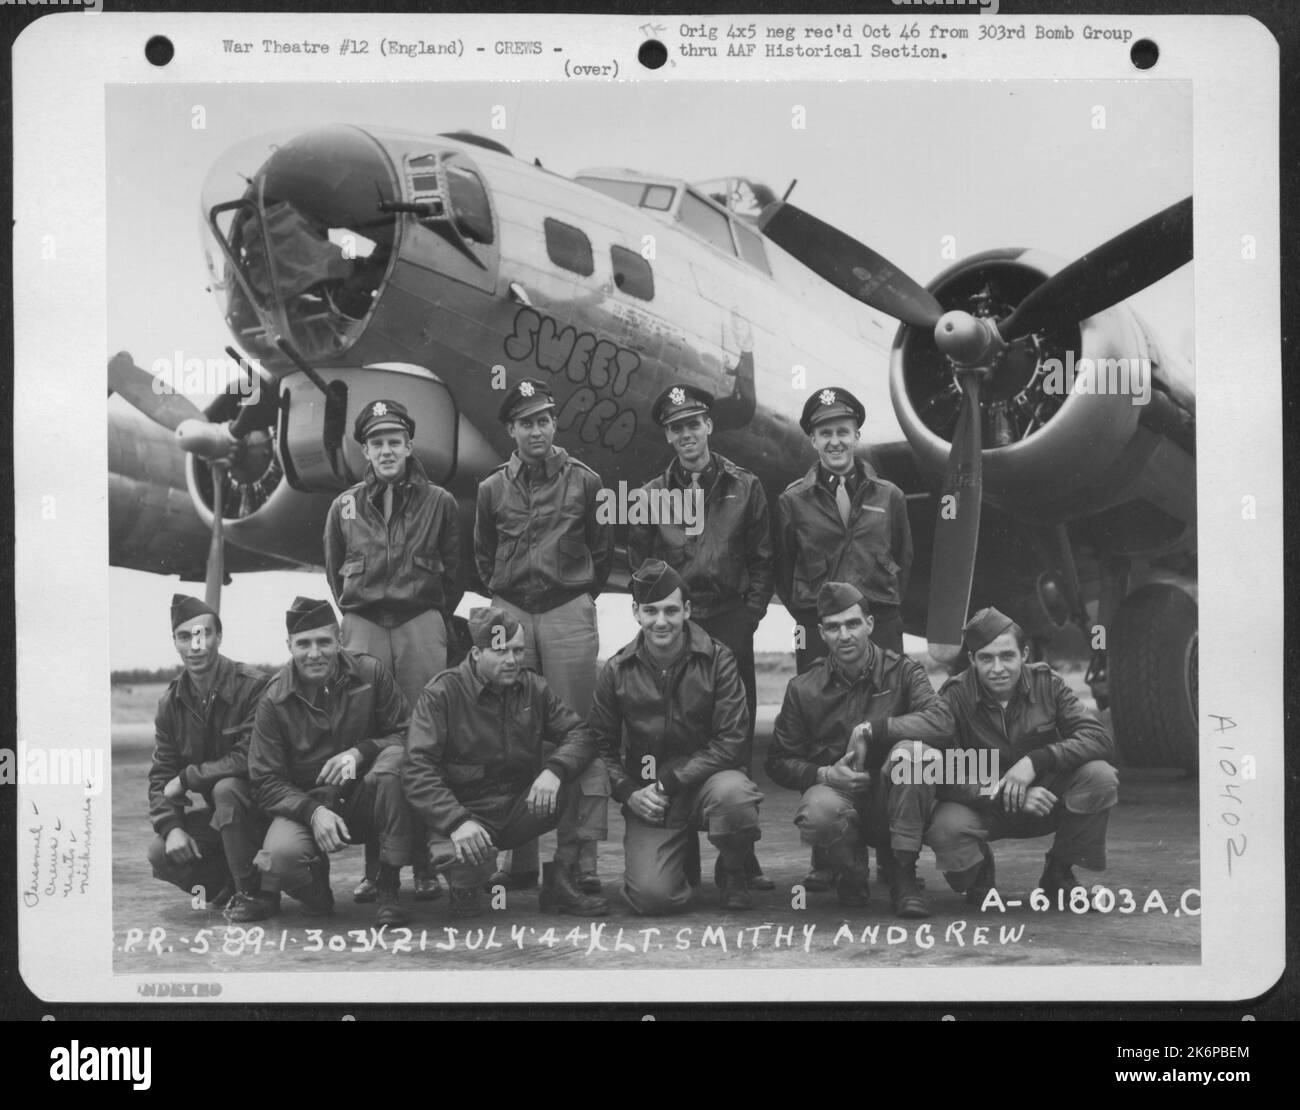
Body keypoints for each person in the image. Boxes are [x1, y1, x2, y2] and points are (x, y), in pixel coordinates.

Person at [627, 382, 776, 892]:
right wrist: (666, 622)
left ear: (709, 426)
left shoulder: (745, 486)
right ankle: (678, 840)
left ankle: (741, 855)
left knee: (735, 737)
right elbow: (641, 565)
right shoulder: (648, 497)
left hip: (730, 619)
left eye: (693, 423)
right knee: (678, 730)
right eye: (676, 428)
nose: (686, 434)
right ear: (667, 436)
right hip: (677, 628)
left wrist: (750, 617)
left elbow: (763, 557)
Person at [474, 377, 612, 892]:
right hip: (511, 613)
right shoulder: (491, 488)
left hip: (566, 610)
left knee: (576, 733)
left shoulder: (587, 482)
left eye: (545, 420)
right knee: (515, 733)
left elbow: (601, 553)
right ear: (511, 429)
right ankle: (520, 855)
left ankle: (579, 856)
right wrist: (508, 601)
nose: (537, 430)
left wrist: (576, 598)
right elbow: (484, 555)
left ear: (555, 423)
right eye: (526, 422)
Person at [775, 387, 914, 891]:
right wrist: (818, 623)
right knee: (821, 735)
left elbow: (903, 558)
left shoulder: (889, 497)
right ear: (812, 439)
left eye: (843, 431)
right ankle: (831, 856)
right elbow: (785, 570)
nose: (835, 441)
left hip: (881, 629)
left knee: (890, 733)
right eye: (824, 433)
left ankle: (898, 858)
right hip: (820, 634)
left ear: (857, 435)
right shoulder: (792, 500)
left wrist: (876, 617)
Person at [324, 398, 461, 904]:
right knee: (367, 738)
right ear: (366, 450)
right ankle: (378, 865)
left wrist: (428, 619)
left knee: (424, 741)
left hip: (420, 622)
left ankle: (424, 861)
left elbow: (455, 569)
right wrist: (357, 619)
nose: (386, 450)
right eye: (376, 443)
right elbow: (334, 568)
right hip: (362, 625)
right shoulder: (342, 507)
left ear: (408, 446)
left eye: (394, 441)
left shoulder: (440, 502)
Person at [402, 607, 610, 918]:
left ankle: (561, 879)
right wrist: (456, 821)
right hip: (466, 815)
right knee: (465, 883)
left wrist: (554, 770)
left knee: (590, 771)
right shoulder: (442, 693)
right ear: (476, 653)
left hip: (518, 809)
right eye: (500, 651)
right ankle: (466, 884)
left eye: (517, 651)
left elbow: (581, 733)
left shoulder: (532, 687)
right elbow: (416, 768)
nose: (512, 660)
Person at [765, 583, 953, 918]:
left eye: (852, 624)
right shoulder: (802, 689)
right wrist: (824, 773)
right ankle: (849, 872)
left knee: (916, 759)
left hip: (892, 797)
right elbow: (778, 760)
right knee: (818, 811)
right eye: (834, 627)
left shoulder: (905, 672)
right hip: (839, 798)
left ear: (869, 624)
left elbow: (941, 722)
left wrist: (877, 729)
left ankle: (903, 874)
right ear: (821, 633)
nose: (845, 635)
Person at [590, 559, 764, 914]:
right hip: (649, 795)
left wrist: (669, 782)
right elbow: (600, 747)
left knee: (736, 796)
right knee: (652, 898)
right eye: (651, 611)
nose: (661, 621)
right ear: (636, 612)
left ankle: (732, 871)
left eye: (671, 610)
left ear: (687, 610)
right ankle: (678, 857)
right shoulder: (616, 669)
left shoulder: (719, 660)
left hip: (704, 784)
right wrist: (628, 793)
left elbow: (732, 740)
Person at [924, 607, 1119, 908]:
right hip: (984, 804)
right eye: (986, 658)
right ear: (972, 660)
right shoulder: (953, 696)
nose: (998, 668)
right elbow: (941, 772)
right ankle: (979, 872)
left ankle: (1059, 873)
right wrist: (1004, 791)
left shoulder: (1047, 683)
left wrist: (1037, 760)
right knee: (945, 827)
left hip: (1044, 800)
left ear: (1024, 654)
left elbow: (1098, 738)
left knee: (1100, 776)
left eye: (1007, 656)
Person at [247, 597, 414, 926]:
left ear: (340, 641)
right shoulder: (273, 699)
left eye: (324, 641)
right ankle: (315, 891)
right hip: (309, 804)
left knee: (395, 762)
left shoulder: (370, 673)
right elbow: (264, 781)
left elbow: (409, 734)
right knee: (281, 857)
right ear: (289, 646)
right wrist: (313, 812)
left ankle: (388, 885)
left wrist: (361, 751)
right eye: (303, 644)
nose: (314, 653)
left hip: (366, 797)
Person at [146, 595, 273, 919]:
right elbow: (161, 774)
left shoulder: (254, 687)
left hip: (268, 812)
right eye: (185, 636)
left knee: (226, 788)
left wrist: (188, 778)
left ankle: (255, 893)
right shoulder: (171, 704)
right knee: (161, 852)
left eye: (203, 634)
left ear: (218, 637)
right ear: (175, 642)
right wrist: (171, 826)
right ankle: (227, 887)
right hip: (226, 820)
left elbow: (250, 756)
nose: (195, 645)